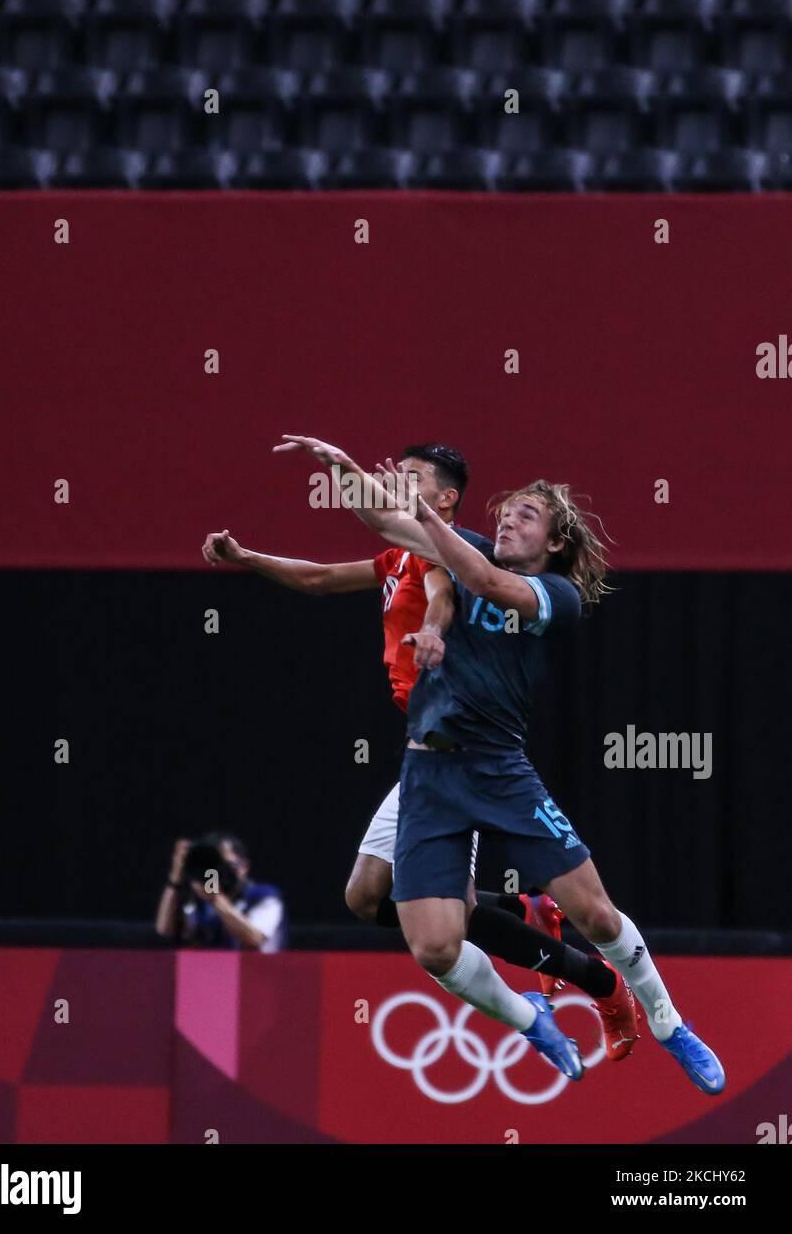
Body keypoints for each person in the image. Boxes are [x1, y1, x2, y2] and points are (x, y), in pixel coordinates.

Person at [274, 436, 725, 1096]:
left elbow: (483, 581)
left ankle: (667, 1021)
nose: (507, 520)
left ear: (556, 544)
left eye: (525, 516)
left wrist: (427, 520)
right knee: (432, 945)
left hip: (499, 771)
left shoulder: (554, 595)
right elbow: (379, 520)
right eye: (505, 511)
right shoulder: (463, 550)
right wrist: (339, 466)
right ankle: (528, 1019)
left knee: (596, 916)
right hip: (428, 775)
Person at [206, 443, 636, 1078]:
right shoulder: (396, 556)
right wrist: (248, 559)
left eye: (408, 481)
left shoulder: (448, 558)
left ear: (443, 503)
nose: (390, 487)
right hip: (423, 752)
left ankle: (593, 981)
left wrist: (433, 631)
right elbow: (320, 578)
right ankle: (526, 912)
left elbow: (442, 597)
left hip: (460, 756)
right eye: (390, 478)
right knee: (366, 897)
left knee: (444, 922)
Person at [156, 831, 286, 952]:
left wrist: (215, 899)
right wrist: (175, 879)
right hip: (214, 972)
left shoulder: (264, 896)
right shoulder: (199, 899)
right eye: (214, 866)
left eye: (226, 864)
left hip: (258, 972)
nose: (219, 872)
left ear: (244, 866)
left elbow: (254, 939)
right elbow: (165, 929)